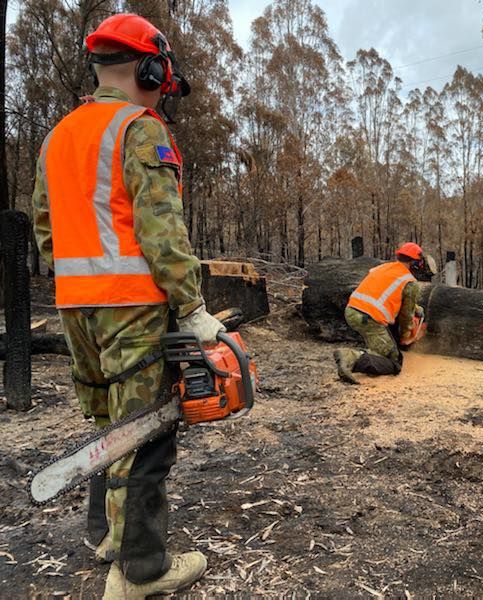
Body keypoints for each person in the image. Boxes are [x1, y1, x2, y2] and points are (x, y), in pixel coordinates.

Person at [31, 13, 224, 599]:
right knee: (144, 432)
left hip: (75, 304)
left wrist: (78, 279)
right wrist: (190, 305)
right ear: (150, 68)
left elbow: (46, 226)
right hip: (132, 305)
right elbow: (160, 228)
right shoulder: (141, 130)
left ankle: (105, 534)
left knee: (105, 424)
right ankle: (140, 572)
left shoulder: (58, 135)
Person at [334, 243, 434, 383]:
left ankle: (368, 353)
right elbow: (406, 316)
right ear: (414, 263)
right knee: (394, 361)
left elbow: (385, 293)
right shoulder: (409, 283)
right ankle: (351, 357)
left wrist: (415, 308)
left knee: (381, 345)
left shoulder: (383, 267)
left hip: (353, 310)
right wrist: (406, 335)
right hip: (369, 318)